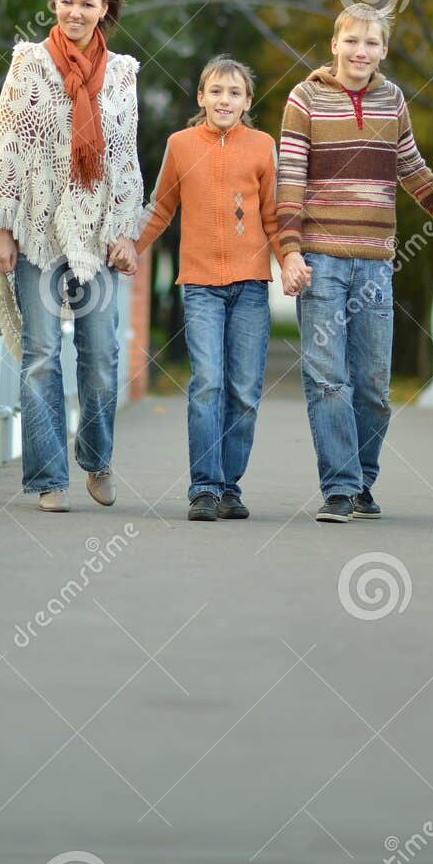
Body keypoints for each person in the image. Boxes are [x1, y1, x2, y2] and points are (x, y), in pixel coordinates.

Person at [0, 0, 142, 512]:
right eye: (66, 1)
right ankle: (48, 479)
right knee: (40, 355)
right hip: (35, 229)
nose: (76, 11)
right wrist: (3, 232)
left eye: (87, 3)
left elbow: (126, 158)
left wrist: (125, 233)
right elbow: (9, 149)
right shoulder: (29, 64)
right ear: (53, 3)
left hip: (97, 232)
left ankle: (97, 459)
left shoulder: (124, 74)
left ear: (105, 10)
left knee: (101, 354)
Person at [277, 4, 433, 523]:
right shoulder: (304, 98)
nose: (359, 51)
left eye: (370, 43)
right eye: (351, 40)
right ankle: (340, 488)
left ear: (383, 50)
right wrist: (289, 249)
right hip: (321, 261)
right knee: (328, 379)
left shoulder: (393, 100)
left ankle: (362, 478)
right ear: (334, 44)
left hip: (374, 264)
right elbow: (290, 179)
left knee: (372, 385)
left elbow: (411, 165)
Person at [136, 57, 284, 521]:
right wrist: (132, 247)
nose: (225, 100)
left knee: (242, 389)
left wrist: (290, 262)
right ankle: (203, 486)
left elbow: (274, 216)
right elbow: (160, 209)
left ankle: (229, 486)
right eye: (216, 91)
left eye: (235, 93)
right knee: (207, 384)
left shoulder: (262, 146)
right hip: (199, 285)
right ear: (201, 97)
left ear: (247, 102)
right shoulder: (180, 145)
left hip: (251, 287)